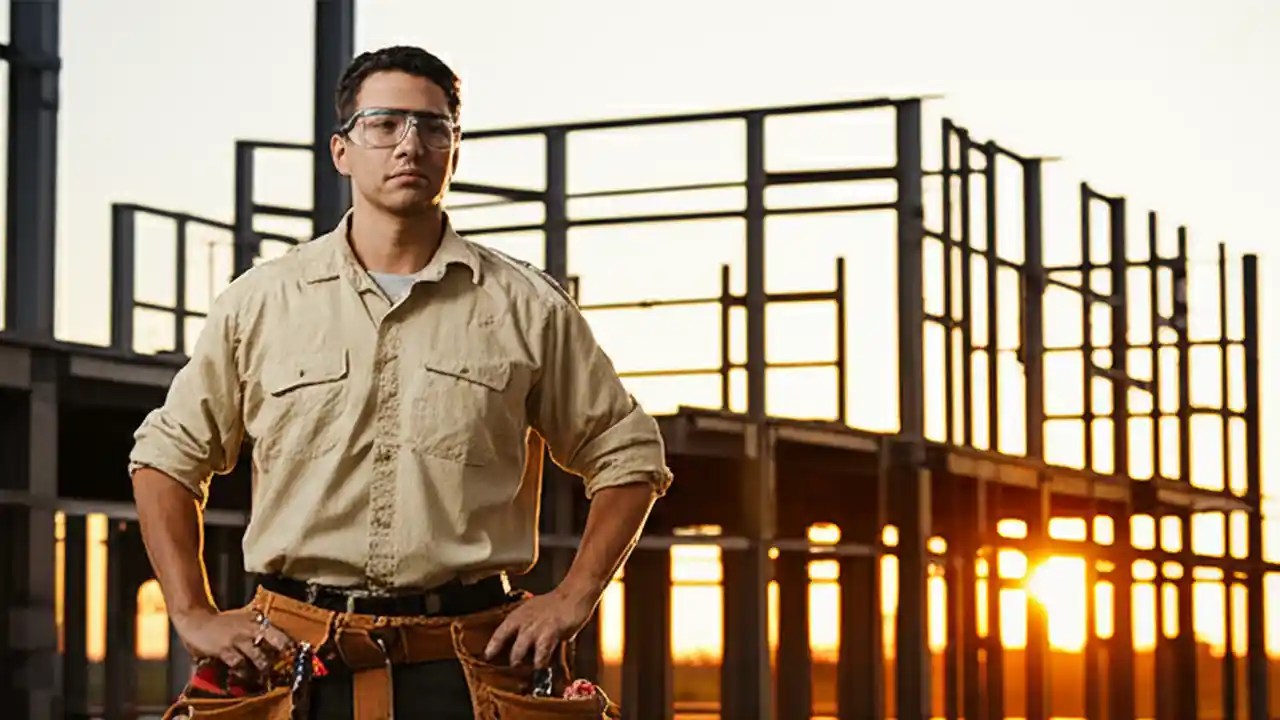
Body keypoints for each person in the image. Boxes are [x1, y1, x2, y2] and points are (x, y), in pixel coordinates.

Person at [129, 44, 672, 719]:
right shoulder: (261, 302)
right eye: (384, 124)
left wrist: (574, 597)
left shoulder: (525, 307)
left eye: (433, 126)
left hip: (470, 668)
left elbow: (628, 455)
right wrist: (192, 611)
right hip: (288, 666)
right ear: (342, 151)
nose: (409, 143)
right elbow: (165, 458)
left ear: (454, 150)